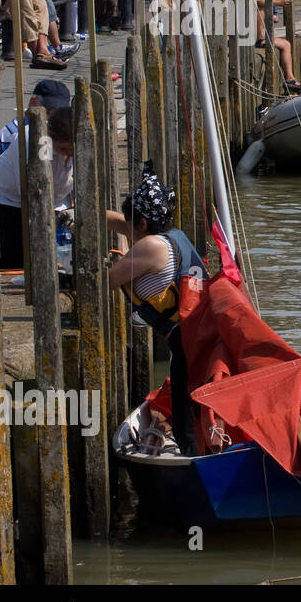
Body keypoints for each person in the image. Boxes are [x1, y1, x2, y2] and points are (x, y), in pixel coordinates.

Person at [105, 164, 207, 455]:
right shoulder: (171, 236)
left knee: (184, 413)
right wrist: (82, 216)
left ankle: (193, 458)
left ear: (144, 225)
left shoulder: (149, 247)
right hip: (197, 335)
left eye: (132, 223)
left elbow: (107, 280)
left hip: (186, 342)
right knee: (190, 401)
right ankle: (198, 449)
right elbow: (123, 224)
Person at [0, 106, 73, 269]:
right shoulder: (38, 140)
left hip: (52, 201)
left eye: (71, 151)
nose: (68, 154)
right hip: (11, 199)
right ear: (52, 138)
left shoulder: (75, 148)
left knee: (54, 255)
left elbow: (61, 191)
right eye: (64, 149)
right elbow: (30, 189)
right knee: (16, 257)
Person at [243, 0, 298, 92]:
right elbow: (260, 1)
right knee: (285, 44)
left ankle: (290, 78)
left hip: (259, 36)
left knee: (286, 44)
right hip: (254, 39)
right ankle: (289, 78)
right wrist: (279, 2)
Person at [0, 79, 72, 154]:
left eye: (60, 112)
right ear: (33, 102)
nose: (55, 116)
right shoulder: (12, 134)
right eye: (50, 110)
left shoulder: (59, 132)